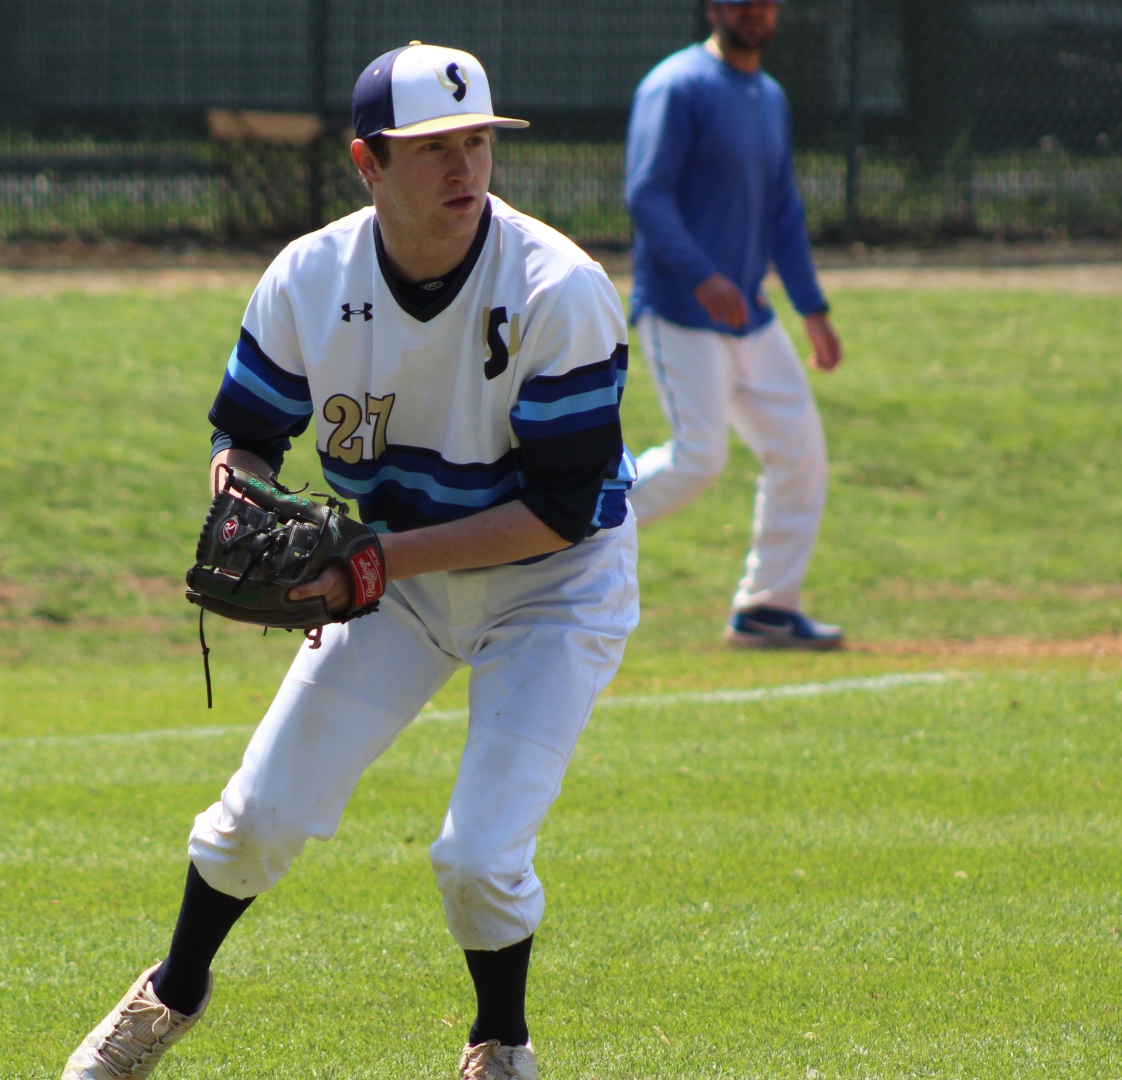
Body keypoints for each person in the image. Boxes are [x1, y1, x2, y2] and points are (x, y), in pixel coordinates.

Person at [58, 41, 637, 1080]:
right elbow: (243, 434)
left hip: (551, 586)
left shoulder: (559, 289)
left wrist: (371, 567)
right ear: (367, 164)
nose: (463, 168)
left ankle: (500, 1046)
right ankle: (166, 998)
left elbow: (557, 512)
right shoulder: (310, 278)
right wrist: (239, 504)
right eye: (430, 149)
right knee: (252, 821)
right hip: (395, 584)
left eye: (475, 143)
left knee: (477, 857)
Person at [624, 0, 846, 649]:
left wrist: (814, 309)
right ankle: (561, 526)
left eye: (765, 3)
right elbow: (647, 193)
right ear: (714, 7)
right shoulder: (676, 85)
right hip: (682, 309)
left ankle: (767, 608)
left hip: (748, 315)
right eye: (739, 1)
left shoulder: (769, 96)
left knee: (801, 451)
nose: (754, 12)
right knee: (700, 457)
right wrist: (701, 273)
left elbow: (782, 208)